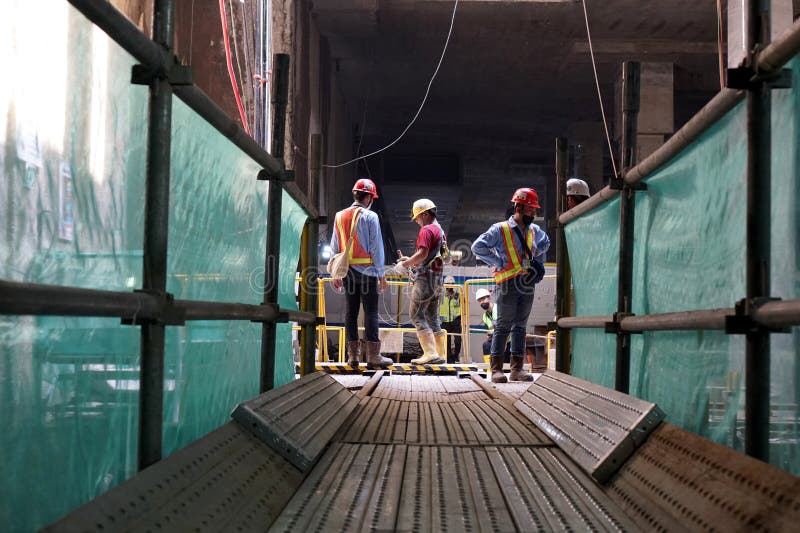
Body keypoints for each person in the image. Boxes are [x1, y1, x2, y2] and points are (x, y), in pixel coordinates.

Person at [471, 187, 550, 383]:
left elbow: (546, 242)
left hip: (527, 283)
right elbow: (477, 246)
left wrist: (534, 254)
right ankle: (496, 370)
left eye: (534, 209)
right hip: (507, 283)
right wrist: (497, 262)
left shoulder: (534, 230)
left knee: (520, 326)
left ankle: (517, 369)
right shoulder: (500, 229)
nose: (533, 212)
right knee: (503, 326)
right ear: (518, 206)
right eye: (530, 209)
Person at [330, 178, 391, 366]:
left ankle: (353, 356)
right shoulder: (370, 216)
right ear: (369, 197)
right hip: (368, 271)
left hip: (347, 271)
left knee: (351, 312)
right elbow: (376, 247)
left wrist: (336, 273)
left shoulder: (339, 216)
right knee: (371, 311)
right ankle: (373, 356)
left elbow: (335, 246)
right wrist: (381, 274)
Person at [396, 199, 447, 365]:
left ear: (425, 214)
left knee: (416, 315)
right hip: (437, 280)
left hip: (425, 280)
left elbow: (423, 254)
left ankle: (430, 353)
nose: (417, 221)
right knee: (432, 317)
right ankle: (440, 354)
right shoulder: (440, 231)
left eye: (418, 217)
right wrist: (411, 261)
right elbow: (430, 257)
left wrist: (404, 265)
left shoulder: (427, 230)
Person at [475, 288, 511, 361]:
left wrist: (504, 343)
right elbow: (489, 330)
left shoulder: (499, 309)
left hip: (507, 341)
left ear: (489, 298)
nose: (482, 302)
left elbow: (508, 327)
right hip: (496, 340)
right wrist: (489, 336)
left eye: (483, 299)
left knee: (505, 367)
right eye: (480, 301)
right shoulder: (485, 316)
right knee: (486, 345)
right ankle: (489, 367)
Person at [439, 276, 462, 363]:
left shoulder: (458, 295)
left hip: (456, 320)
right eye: (448, 283)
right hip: (445, 322)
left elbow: (463, 307)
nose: (450, 285)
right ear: (445, 284)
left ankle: (456, 356)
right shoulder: (441, 296)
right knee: (446, 342)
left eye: (452, 283)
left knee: (458, 340)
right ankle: (449, 359)